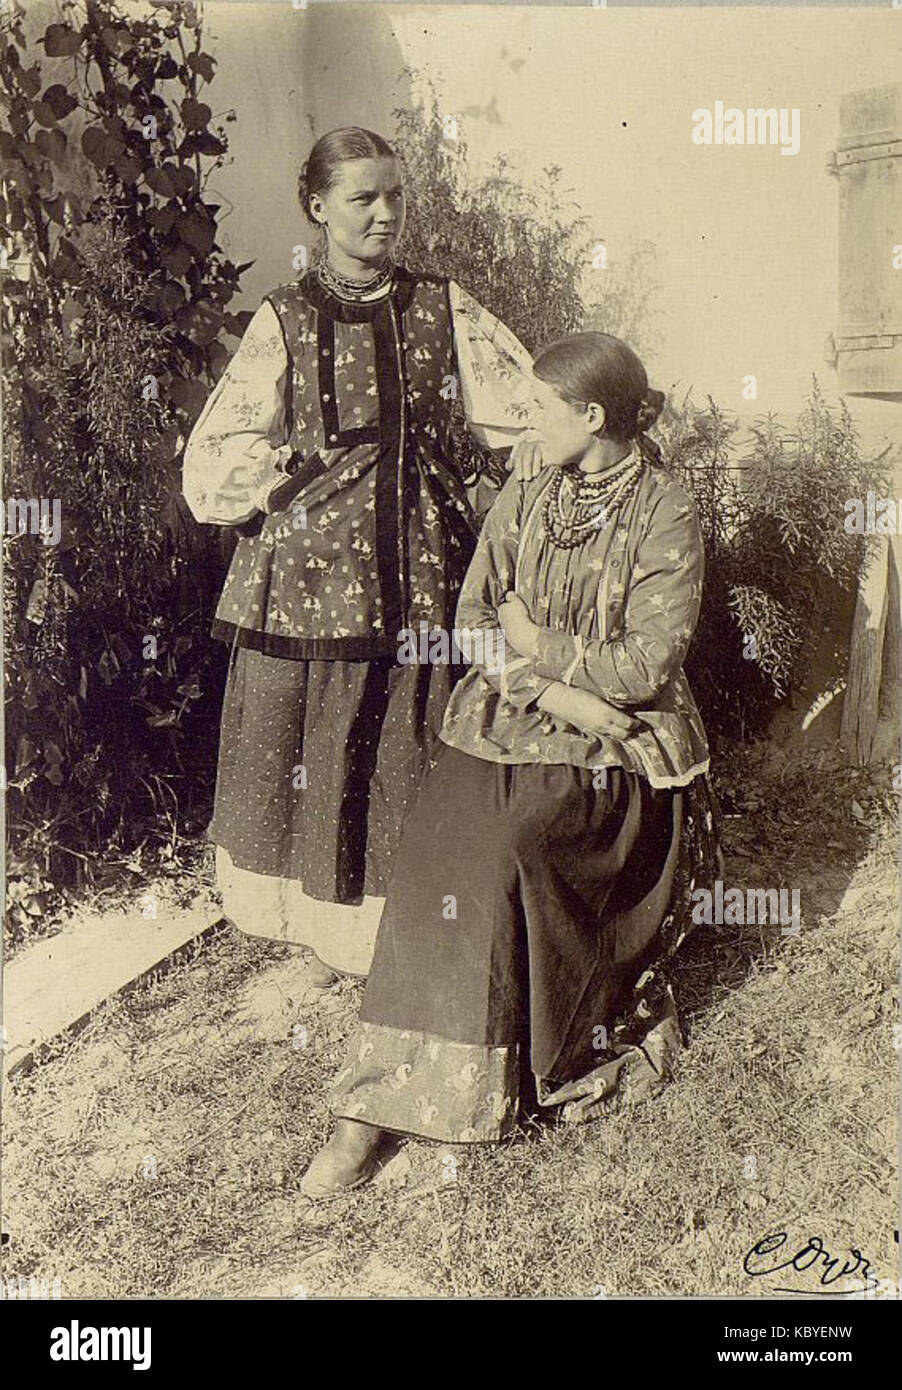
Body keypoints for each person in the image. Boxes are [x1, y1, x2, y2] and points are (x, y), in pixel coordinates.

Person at [302, 330, 722, 1195]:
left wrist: (541, 647)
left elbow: (645, 666)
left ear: (593, 415)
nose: (526, 423)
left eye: (540, 407)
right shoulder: (528, 488)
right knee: (436, 843)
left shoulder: (668, 511)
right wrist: (559, 687)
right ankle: (368, 1105)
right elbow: (474, 619)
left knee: (509, 847)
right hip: (520, 716)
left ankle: (479, 1081)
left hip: (622, 750)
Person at [182, 128, 541, 983]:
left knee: (408, 723)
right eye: (361, 199)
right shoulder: (284, 318)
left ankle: (411, 916)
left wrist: (512, 490)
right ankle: (322, 929)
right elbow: (216, 451)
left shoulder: (442, 305)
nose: (384, 215)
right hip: (307, 570)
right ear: (317, 207)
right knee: (313, 727)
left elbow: (527, 407)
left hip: (416, 548)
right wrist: (272, 484)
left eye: (394, 197)